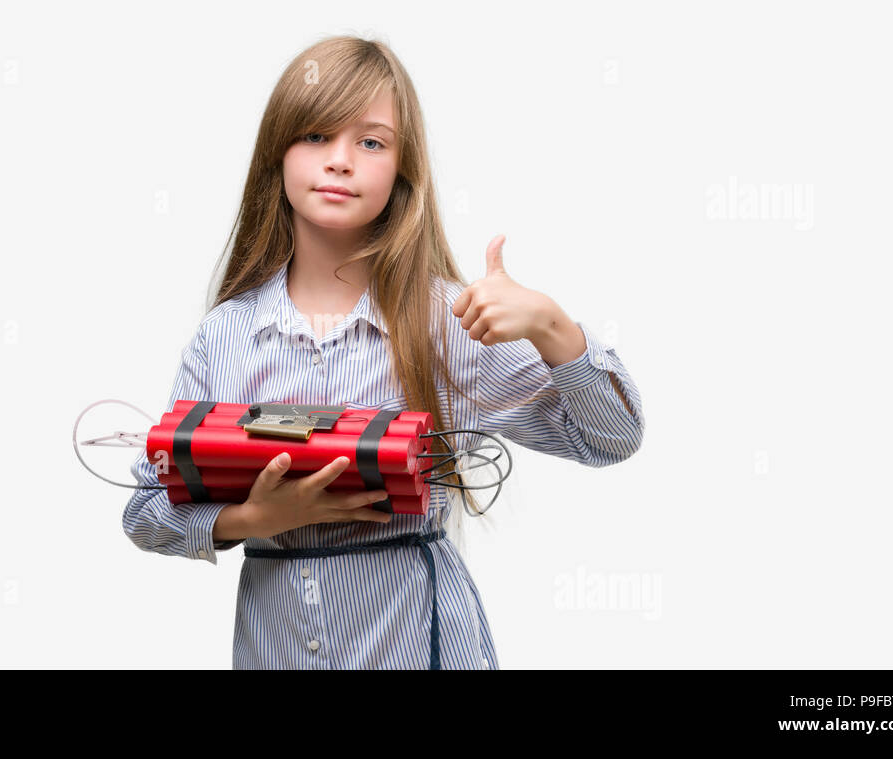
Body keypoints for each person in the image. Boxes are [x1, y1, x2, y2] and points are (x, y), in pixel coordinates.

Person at [122, 35, 645, 669]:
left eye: (371, 142)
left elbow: (611, 438)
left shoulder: (448, 321)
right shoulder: (224, 336)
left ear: (402, 167)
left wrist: (552, 327)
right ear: (276, 151)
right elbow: (147, 511)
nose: (340, 161)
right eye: (315, 135)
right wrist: (251, 517)